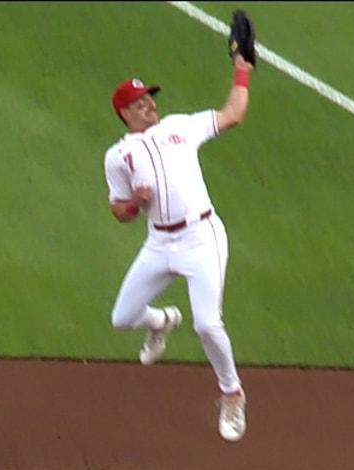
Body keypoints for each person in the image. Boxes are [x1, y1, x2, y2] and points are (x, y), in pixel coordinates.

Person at [103, 52, 255, 442]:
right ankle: (161, 322)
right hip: (159, 242)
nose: (150, 104)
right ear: (124, 113)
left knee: (207, 323)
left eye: (149, 97)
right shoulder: (118, 156)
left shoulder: (180, 127)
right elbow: (119, 210)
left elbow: (232, 114)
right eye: (140, 102)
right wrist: (135, 203)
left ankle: (232, 393)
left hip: (201, 237)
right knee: (122, 317)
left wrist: (242, 70)